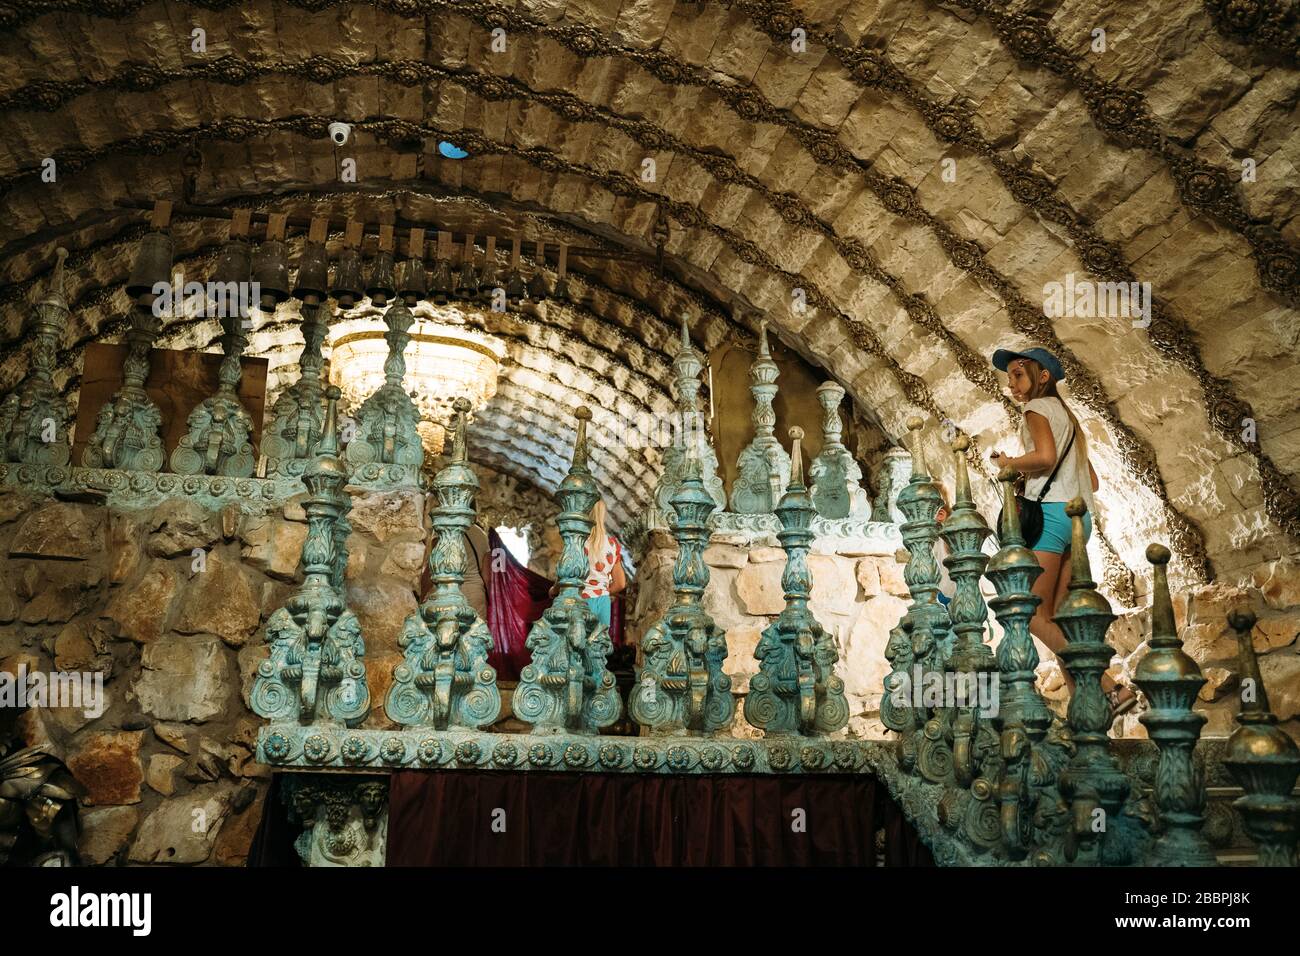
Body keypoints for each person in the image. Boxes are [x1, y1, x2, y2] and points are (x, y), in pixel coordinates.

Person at [989, 347, 1137, 719]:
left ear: (1043, 377)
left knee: (1031, 613)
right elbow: (1092, 481)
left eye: (1019, 374)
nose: (1012, 382)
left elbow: (1045, 458)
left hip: (1052, 518)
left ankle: (1107, 685)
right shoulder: (1068, 419)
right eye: (1009, 376)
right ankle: (1087, 709)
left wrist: (1009, 464)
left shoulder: (1036, 409)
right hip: (1078, 520)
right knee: (1055, 619)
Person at [580, 499, 626, 627]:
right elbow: (620, 583)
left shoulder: (578, 541)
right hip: (604, 602)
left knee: (577, 644)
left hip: (581, 600)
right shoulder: (612, 545)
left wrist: (552, 590)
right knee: (600, 644)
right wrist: (601, 591)